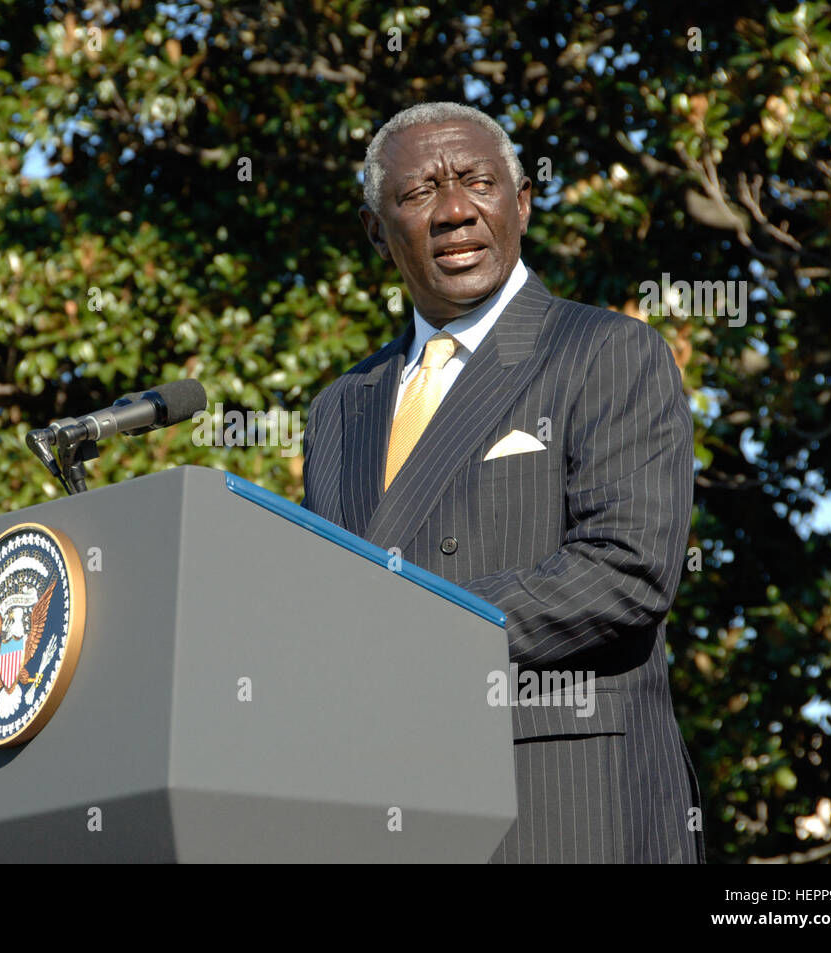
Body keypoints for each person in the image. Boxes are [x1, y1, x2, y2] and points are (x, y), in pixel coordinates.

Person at [302, 101, 704, 863]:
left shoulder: (607, 352)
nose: (454, 211)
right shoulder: (338, 411)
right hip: (389, 811)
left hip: (563, 800)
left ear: (521, 203)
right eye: (418, 193)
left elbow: (626, 570)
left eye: (477, 183)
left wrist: (407, 631)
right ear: (375, 231)